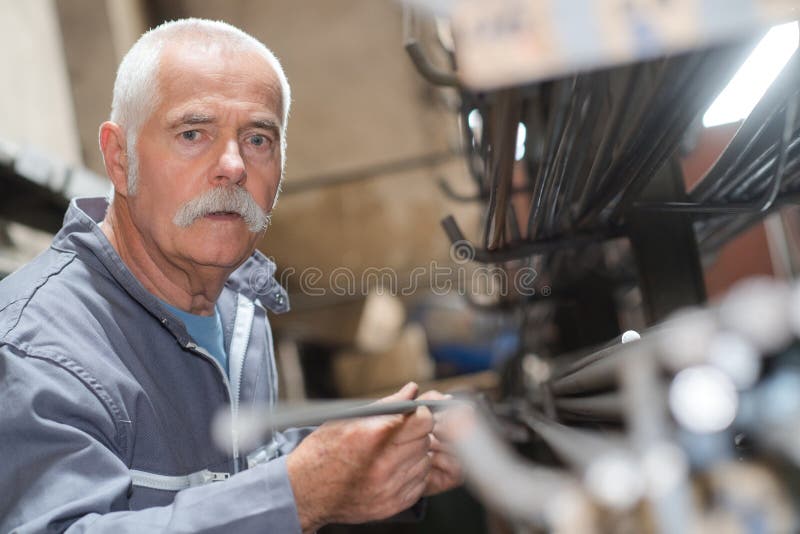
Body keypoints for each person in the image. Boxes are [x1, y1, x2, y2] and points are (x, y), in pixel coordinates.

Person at [0, 18, 462, 533]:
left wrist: (367, 461)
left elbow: (232, 477)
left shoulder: (236, 304)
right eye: (193, 133)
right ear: (118, 156)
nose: (233, 165)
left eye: (258, 139)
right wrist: (297, 496)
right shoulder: (34, 350)